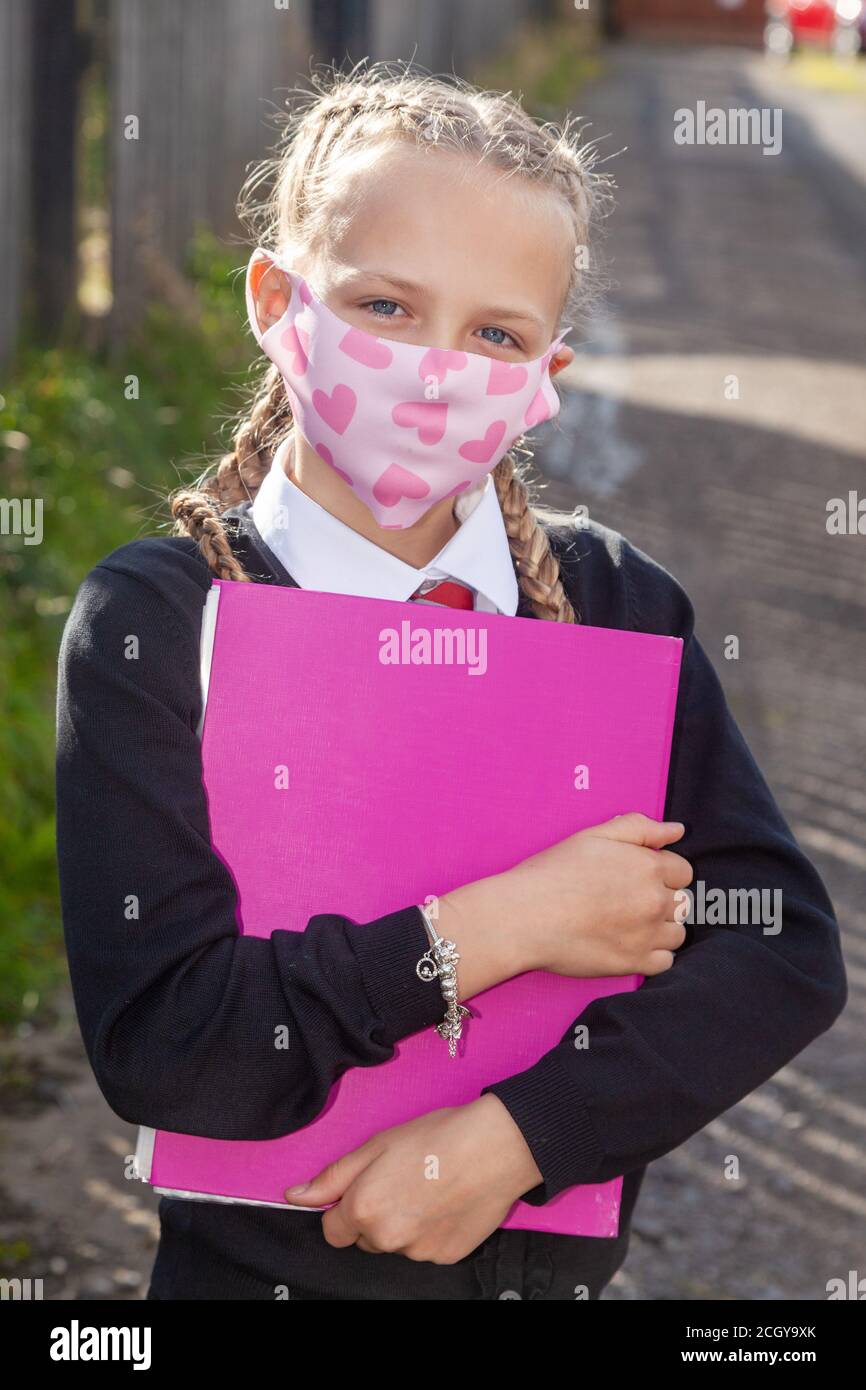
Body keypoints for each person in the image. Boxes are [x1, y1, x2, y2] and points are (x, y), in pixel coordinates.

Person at [55, 64, 847, 1301]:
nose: (434, 370)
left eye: (494, 334)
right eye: (382, 304)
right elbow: (174, 1048)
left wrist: (512, 1142)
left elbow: (778, 952)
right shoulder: (161, 620)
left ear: (546, 376)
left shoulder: (612, 606)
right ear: (278, 301)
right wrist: (506, 924)